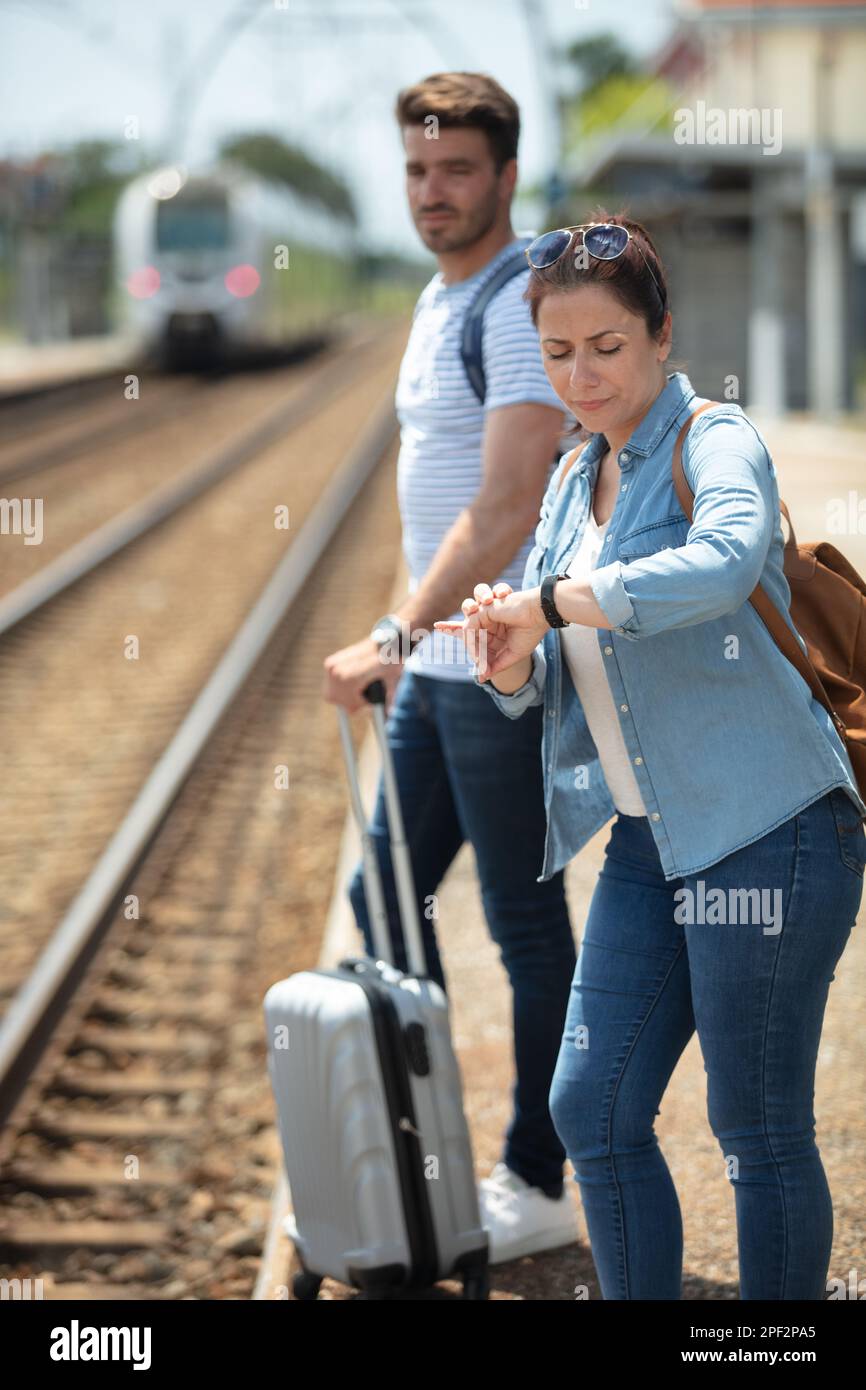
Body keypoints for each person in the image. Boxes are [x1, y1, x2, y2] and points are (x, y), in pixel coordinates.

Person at [435, 211, 866, 1299]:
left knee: (753, 1124)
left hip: (769, 830)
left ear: (661, 335)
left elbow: (721, 561)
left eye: (606, 348)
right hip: (649, 844)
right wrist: (505, 656)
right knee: (592, 1105)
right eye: (557, 354)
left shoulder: (711, 439)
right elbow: (546, 669)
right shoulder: (570, 475)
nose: (580, 376)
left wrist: (552, 596)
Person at [322, 72, 580, 1263]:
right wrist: (401, 636)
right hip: (429, 671)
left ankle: (541, 1178)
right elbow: (434, 508)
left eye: (457, 169)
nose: (434, 192)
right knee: (385, 916)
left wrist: (388, 629)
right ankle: (393, 1177)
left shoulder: (519, 295)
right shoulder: (437, 299)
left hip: (492, 667)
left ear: (505, 176)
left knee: (525, 936)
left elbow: (504, 503)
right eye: (419, 170)